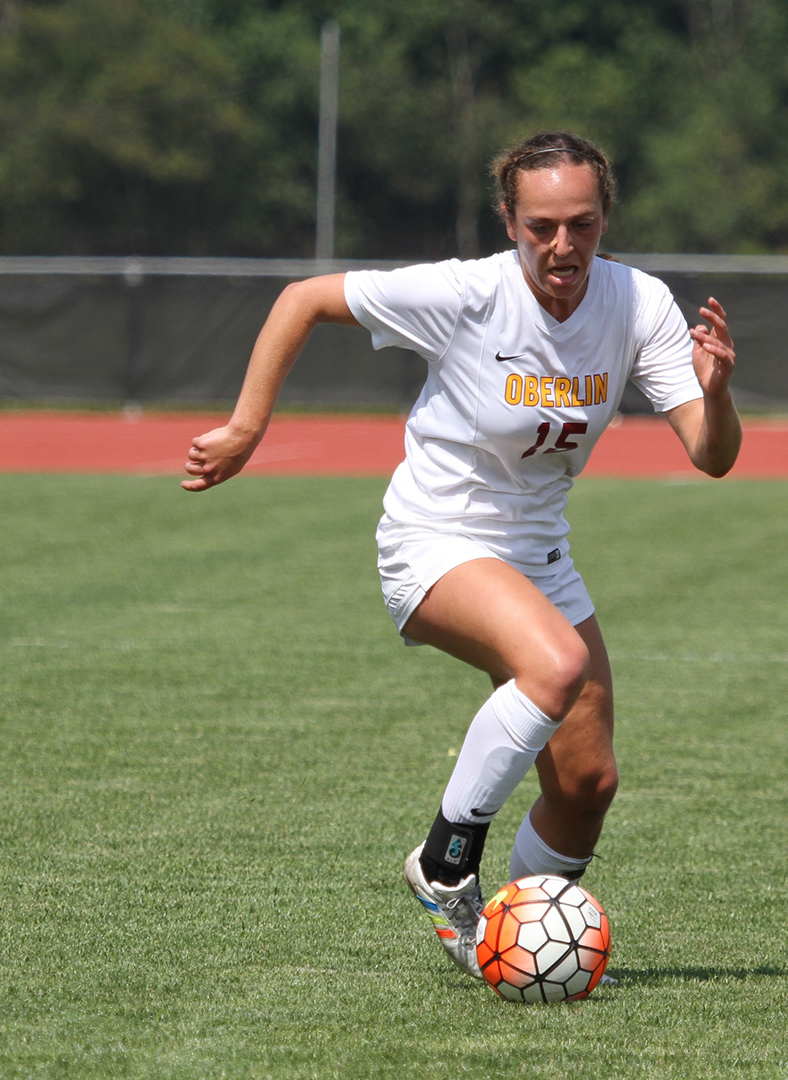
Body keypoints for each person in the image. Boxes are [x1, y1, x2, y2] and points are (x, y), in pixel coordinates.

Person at [184, 130, 741, 977]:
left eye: (582, 225)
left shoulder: (637, 304)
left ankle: (509, 947)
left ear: (605, 219)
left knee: (586, 784)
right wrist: (247, 428)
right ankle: (445, 863)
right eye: (542, 225)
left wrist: (717, 393)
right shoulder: (468, 293)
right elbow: (302, 299)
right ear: (509, 220)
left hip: (539, 554)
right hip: (435, 539)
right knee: (553, 665)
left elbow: (712, 453)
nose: (563, 246)